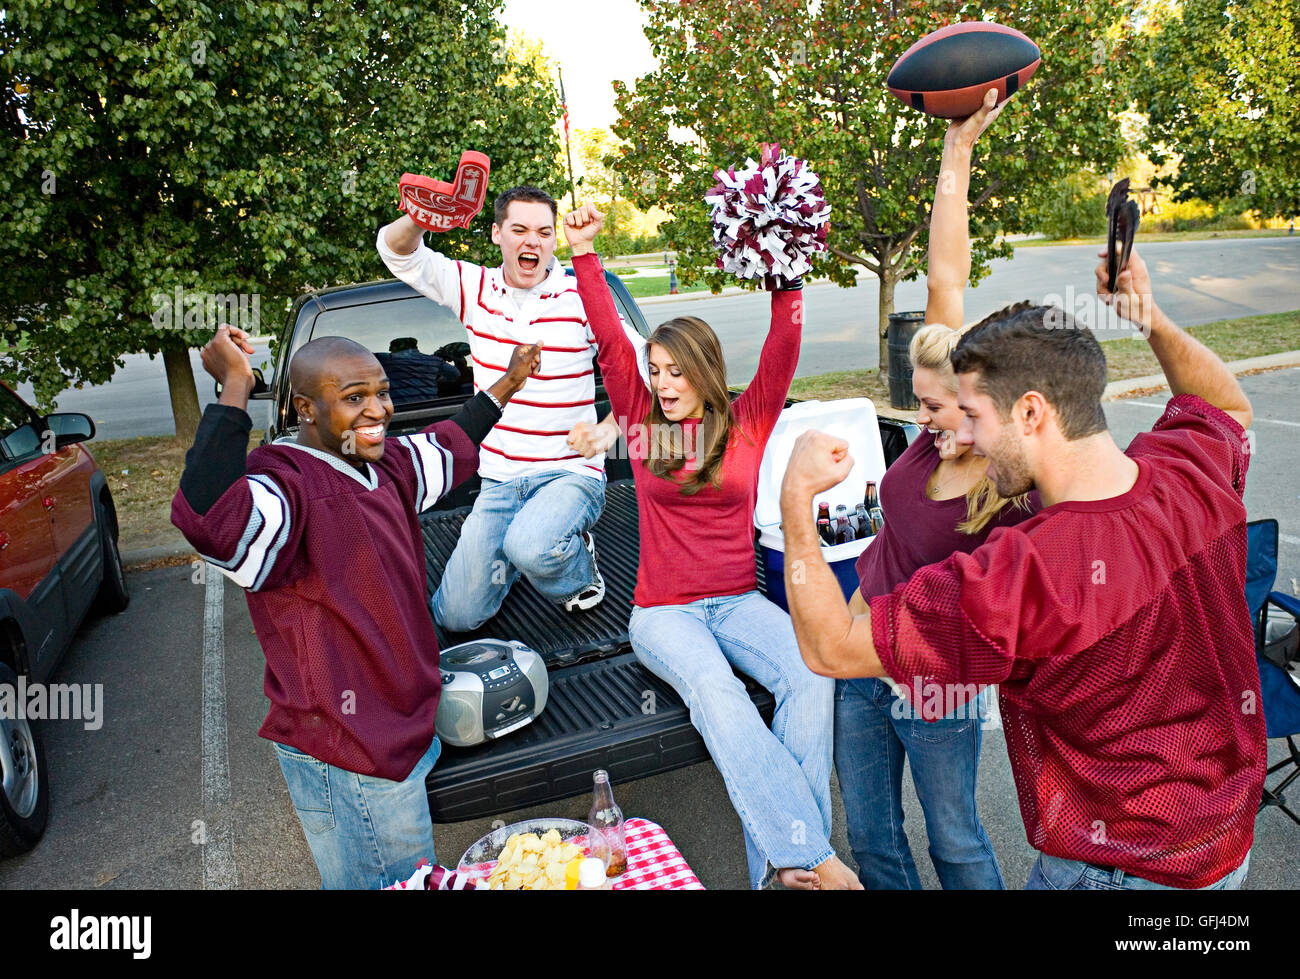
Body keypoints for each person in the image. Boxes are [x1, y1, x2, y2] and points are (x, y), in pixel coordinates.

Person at [780, 247, 1266, 890]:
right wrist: (1149, 317)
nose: (967, 438)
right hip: (1225, 848)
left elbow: (831, 647)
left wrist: (794, 497)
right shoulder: (1188, 469)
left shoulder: (1024, 573)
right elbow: (1229, 409)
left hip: (1115, 868)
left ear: (1032, 412)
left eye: (975, 415)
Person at [171, 321, 540, 888]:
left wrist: (507, 385)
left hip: (393, 728)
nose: (378, 410)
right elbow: (211, 520)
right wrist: (235, 388)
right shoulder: (285, 486)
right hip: (354, 749)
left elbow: (446, 444)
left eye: (382, 392)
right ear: (305, 409)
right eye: (353, 397)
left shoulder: (383, 465)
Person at [564, 203, 861, 890]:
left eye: (675, 370)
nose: (663, 384)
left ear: (703, 368)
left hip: (735, 602)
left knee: (813, 672)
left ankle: (783, 869)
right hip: (664, 613)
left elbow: (782, 345)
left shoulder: (748, 420)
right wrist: (583, 253)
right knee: (719, 695)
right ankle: (812, 855)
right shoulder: (640, 422)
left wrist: (785, 266)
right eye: (656, 370)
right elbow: (610, 340)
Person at [835, 88, 1037, 890]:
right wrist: (956, 154)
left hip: (935, 681)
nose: (915, 416)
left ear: (978, 397)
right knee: (873, 834)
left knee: (954, 838)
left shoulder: (1012, 483)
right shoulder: (935, 420)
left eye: (929, 403)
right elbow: (946, 271)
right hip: (858, 648)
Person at [378, 185, 615, 629]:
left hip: (570, 476)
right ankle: (536, 549)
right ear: (496, 234)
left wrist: (609, 430)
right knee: (456, 617)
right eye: (519, 229)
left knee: (533, 546)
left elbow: (641, 369)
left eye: (544, 232)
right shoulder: (474, 287)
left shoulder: (580, 296)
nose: (533, 242)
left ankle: (574, 562)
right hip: (500, 482)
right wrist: (420, 218)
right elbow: (398, 253)